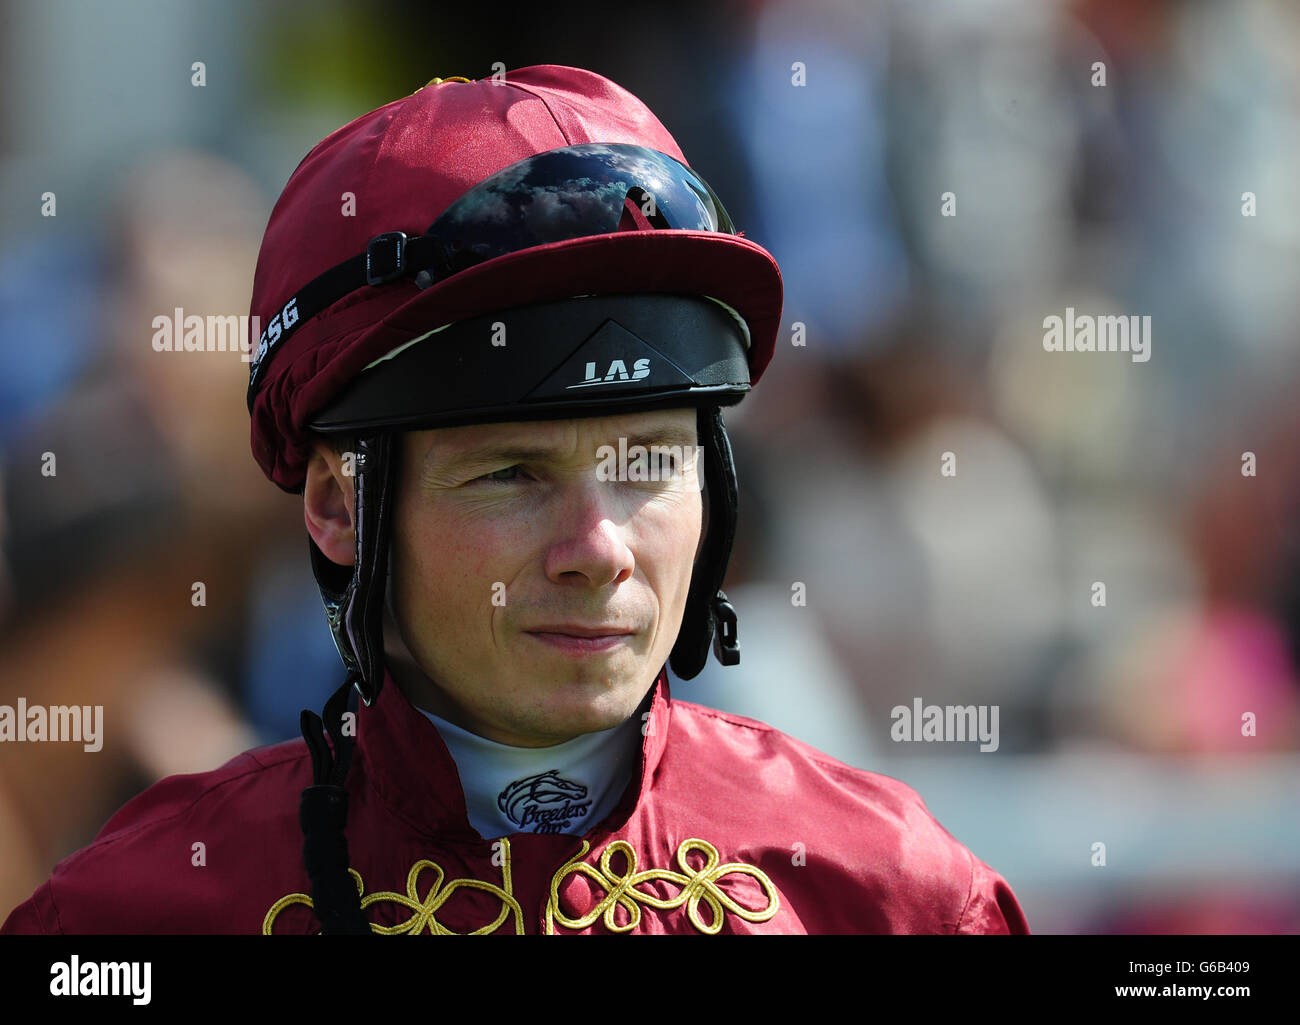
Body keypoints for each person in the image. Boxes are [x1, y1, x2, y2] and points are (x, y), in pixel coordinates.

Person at [2, 65, 1028, 935]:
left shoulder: (899, 896)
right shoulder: (130, 919)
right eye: (512, 473)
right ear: (336, 504)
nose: (599, 548)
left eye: (646, 462)